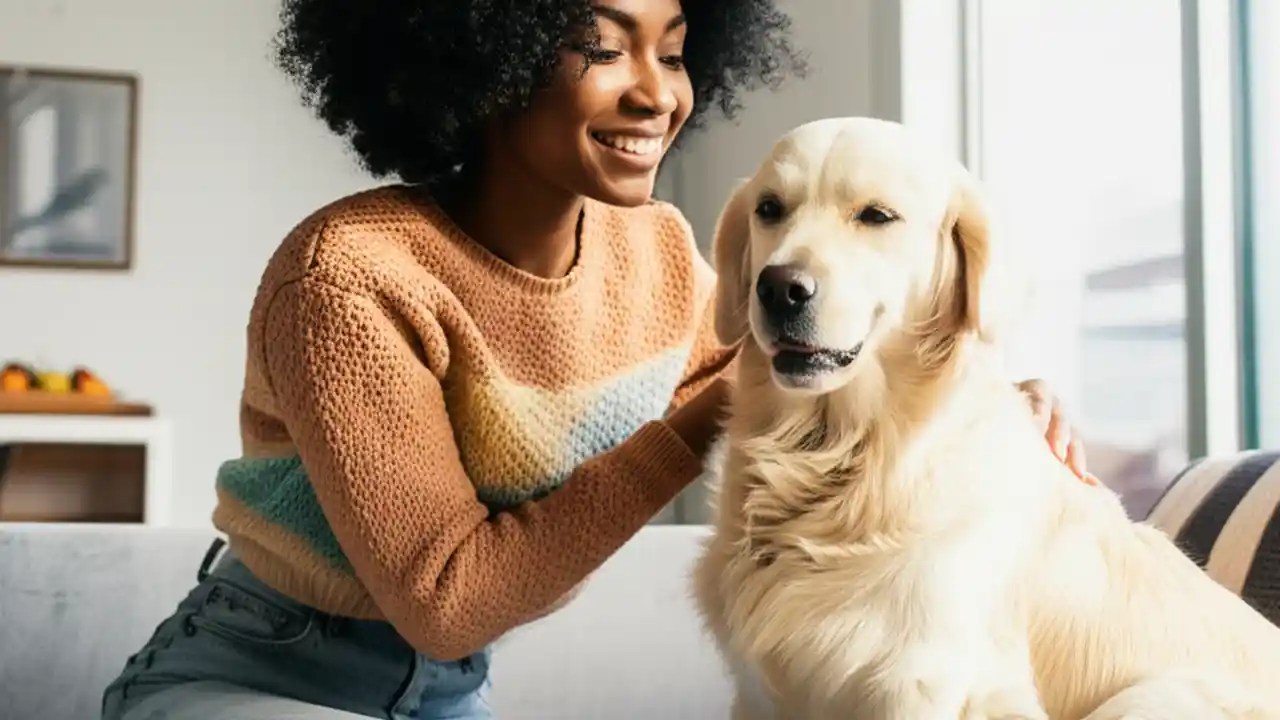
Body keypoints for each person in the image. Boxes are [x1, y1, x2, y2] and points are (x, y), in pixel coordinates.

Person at [101, 1, 1091, 718]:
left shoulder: (652, 250)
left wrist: (982, 395)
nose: (656, 94)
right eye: (601, 47)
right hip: (260, 672)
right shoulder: (352, 279)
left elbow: (779, 376)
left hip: (449, 695)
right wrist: (720, 399)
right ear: (492, 50)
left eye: (672, 48)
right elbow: (448, 601)